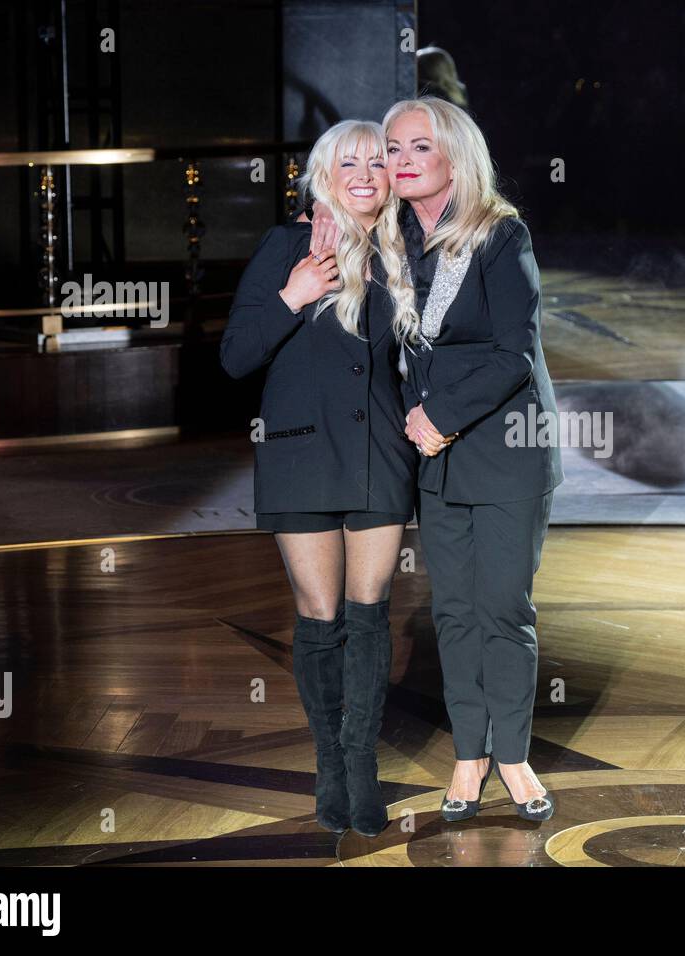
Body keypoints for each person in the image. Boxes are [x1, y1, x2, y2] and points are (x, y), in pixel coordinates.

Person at [220, 119, 418, 837]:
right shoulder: (287, 245)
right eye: (348, 163)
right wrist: (293, 295)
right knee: (320, 616)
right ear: (322, 175)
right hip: (301, 455)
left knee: (369, 614)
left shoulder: (404, 251)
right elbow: (236, 356)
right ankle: (328, 764)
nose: (364, 174)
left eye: (377, 162)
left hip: (379, 456)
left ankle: (360, 766)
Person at [385, 96, 564, 822]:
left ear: (455, 157)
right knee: (453, 612)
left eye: (419, 147)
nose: (402, 161)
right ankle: (469, 754)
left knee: (503, 609)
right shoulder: (391, 237)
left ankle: (513, 755)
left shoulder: (500, 234)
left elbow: (513, 355)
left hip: (505, 450)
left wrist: (439, 417)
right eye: (393, 148)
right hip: (433, 453)